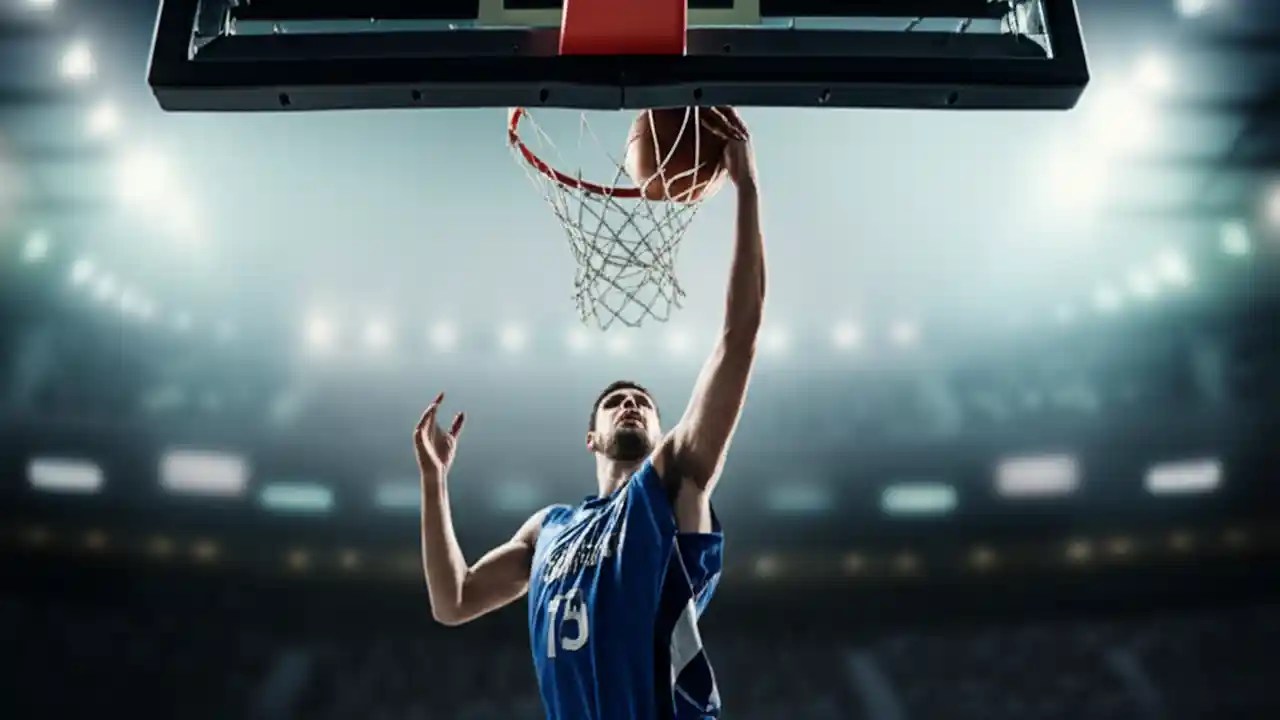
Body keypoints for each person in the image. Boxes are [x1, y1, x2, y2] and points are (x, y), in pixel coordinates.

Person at [414, 107, 764, 720]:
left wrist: (747, 188)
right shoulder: (547, 528)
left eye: (644, 404)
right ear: (591, 437)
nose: (631, 405)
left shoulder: (675, 481)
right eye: (616, 403)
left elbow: (739, 336)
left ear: (659, 431)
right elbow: (454, 599)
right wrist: (433, 481)